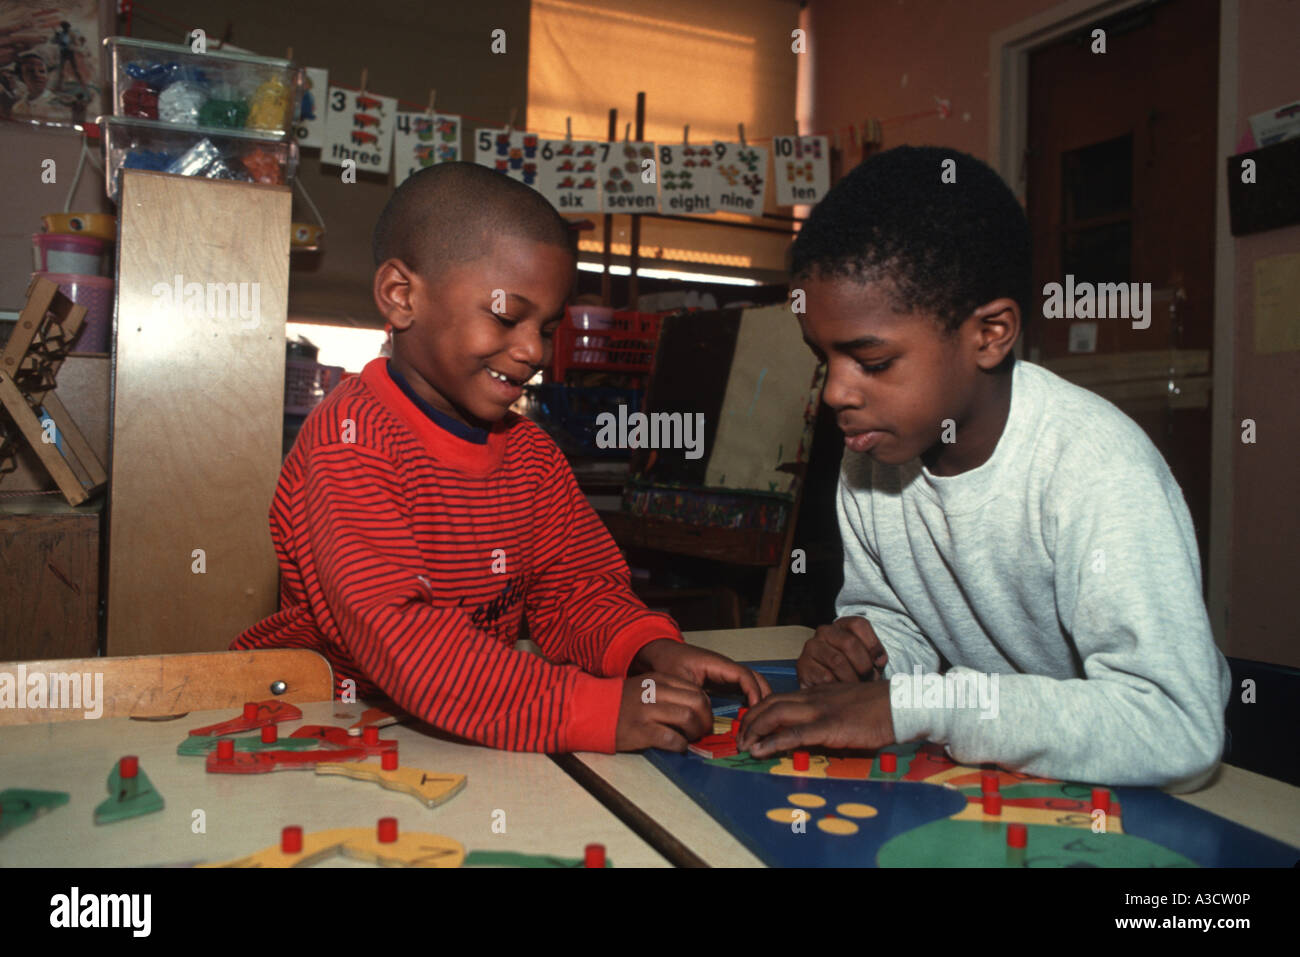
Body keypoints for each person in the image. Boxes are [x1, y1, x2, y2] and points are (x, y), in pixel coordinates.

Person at [234, 162, 769, 752]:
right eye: (508, 317)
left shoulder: (532, 454)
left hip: (473, 717)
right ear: (401, 296)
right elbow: (403, 641)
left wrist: (648, 647)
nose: (533, 349)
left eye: (547, 325)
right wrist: (587, 709)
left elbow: (576, 588)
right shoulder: (351, 441)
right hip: (321, 722)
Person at [737, 146, 1228, 788]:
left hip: (1148, 796)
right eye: (822, 358)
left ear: (990, 333)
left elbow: (1175, 726)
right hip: (1008, 780)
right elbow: (903, 620)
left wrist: (915, 706)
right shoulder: (875, 453)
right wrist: (870, 653)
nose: (835, 393)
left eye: (873, 361)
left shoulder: (1096, 467)